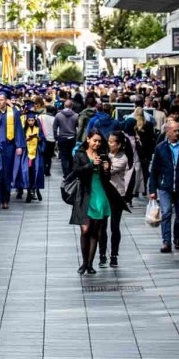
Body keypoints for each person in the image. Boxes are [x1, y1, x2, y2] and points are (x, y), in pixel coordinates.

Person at [70, 129, 115, 275]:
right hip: (84, 194)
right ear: (88, 139)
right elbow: (75, 172)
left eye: (99, 141)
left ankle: (89, 264)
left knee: (95, 231)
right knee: (85, 230)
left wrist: (106, 169)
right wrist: (91, 165)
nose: (97, 143)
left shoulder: (103, 156)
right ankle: (83, 263)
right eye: (94, 140)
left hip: (99, 193)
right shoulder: (80, 154)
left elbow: (106, 178)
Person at [149, 120, 179, 253]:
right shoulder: (160, 147)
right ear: (167, 132)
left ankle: (177, 237)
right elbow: (154, 170)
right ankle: (166, 241)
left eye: (178, 130)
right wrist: (152, 190)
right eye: (174, 131)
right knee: (166, 212)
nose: (177, 133)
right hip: (165, 186)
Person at [99, 131, 132, 268]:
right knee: (102, 226)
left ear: (119, 145)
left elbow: (108, 170)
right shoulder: (104, 153)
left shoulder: (123, 158)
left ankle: (114, 254)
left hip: (117, 194)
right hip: (103, 193)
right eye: (109, 140)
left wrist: (103, 164)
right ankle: (102, 255)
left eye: (112, 142)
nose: (109, 143)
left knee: (114, 226)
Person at [54, 100, 79, 177]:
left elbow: (54, 127)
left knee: (63, 156)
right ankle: (71, 171)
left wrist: (56, 138)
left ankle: (65, 173)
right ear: (72, 106)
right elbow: (78, 127)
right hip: (72, 138)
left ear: (64, 106)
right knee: (71, 155)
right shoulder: (76, 115)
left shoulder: (58, 115)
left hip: (62, 137)